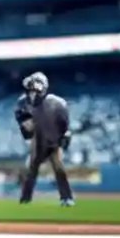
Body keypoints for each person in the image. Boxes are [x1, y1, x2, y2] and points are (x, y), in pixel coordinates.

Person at [14, 72, 75, 206]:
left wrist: (63, 135)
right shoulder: (24, 103)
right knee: (32, 170)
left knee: (58, 168)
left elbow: (64, 124)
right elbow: (25, 124)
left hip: (53, 140)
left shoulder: (57, 103)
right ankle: (25, 199)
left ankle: (67, 198)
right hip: (39, 139)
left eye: (35, 90)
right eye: (30, 91)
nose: (32, 94)